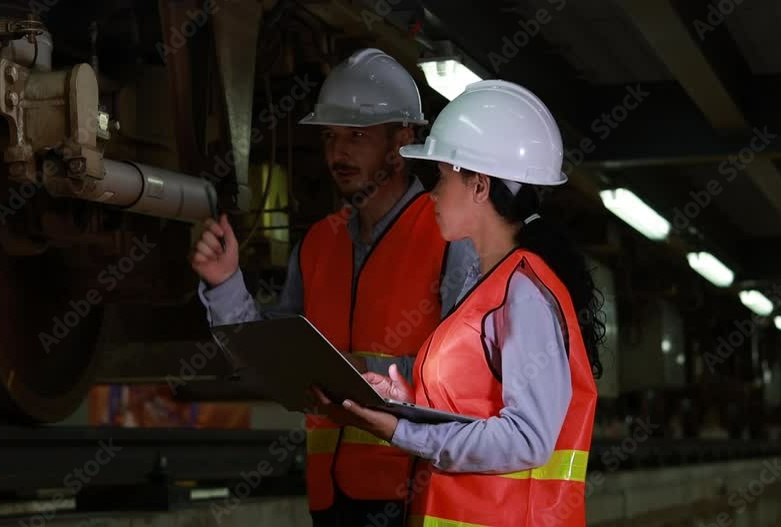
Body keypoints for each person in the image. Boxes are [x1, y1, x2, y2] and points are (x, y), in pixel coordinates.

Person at [189, 48, 477, 526]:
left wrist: (361, 370)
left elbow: (464, 377)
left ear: (402, 139)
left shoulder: (448, 236)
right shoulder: (318, 245)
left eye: (357, 137)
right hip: (331, 498)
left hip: (414, 495)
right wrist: (224, 284)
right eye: (329, 138)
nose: (337, 154)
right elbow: (272, 359)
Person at [313, 79, 605, 526]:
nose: (432, 193)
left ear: (481, 187)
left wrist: (401, 431)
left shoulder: (522, 292)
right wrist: (406, 400)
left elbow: (528, 440)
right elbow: (476, 407)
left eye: (444, 178)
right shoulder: (486, 282)